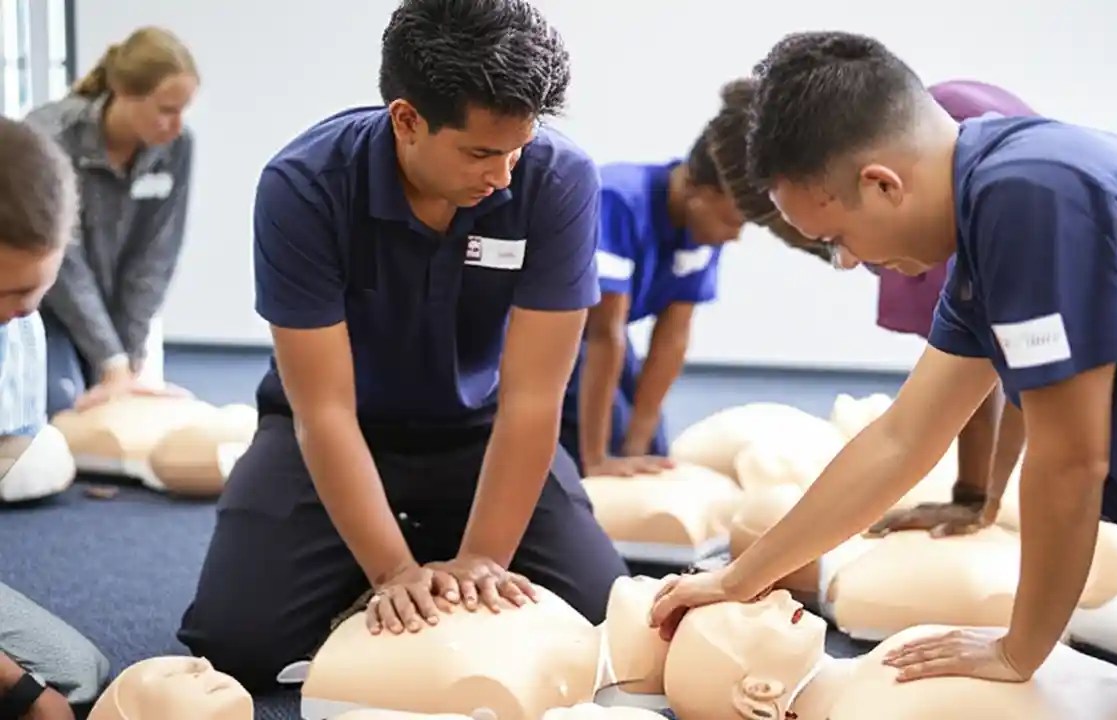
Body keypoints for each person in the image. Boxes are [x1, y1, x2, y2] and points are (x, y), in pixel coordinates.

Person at [649, 32, 1117, 719]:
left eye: (835, 241)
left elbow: (1070, 460)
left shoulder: (1030, 195)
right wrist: (738, 578)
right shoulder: (993, 205)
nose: (851, 262)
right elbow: (902, 437)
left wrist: (1020, 649)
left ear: (881, 184)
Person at [176, 0, 628, 690]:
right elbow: (322, 410)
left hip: (483, 431)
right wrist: (390, 572)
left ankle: (433, 553)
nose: (504, 175)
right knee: (238, 642)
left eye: (518, 149)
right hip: (339, 431)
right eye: (481, 152)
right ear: (407, 120)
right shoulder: (303, 186)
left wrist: (482, 558)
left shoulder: (560, 178)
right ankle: (388, 561)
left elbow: (536, 397)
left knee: (603, 612)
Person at [706, 76, 1030, 537]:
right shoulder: (931, 127)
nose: (851, 260)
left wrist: (978, 499)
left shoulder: (947, 181)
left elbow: (991, 356)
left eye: (834, 241)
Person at [24, 26, 199, 416]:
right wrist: (111, 361)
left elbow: (155, 260)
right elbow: (62, 262)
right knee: (64, 403)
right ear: (123, 92)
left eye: (183, 111)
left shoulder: (178, 148)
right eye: (166, 110)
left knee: (127, 407)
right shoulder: (50, 137)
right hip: (46, 304)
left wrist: (128, 360)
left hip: (120, 311)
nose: (175, 125)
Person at [0, 118, 110, 718]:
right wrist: (17, 686)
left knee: (76, 674)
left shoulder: (19, 333)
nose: (14, 312)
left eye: (30, 290)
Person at [560, 124, 745, 478]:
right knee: (605, 443)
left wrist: (638, 443)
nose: (735, 235)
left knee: (652, 453)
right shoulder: (616, 201)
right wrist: (597, 459)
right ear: (694, 190)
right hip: (551, 327)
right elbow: (602, 333)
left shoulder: (702, 230)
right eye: (730, 221)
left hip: (607, 333)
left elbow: (673, 335)